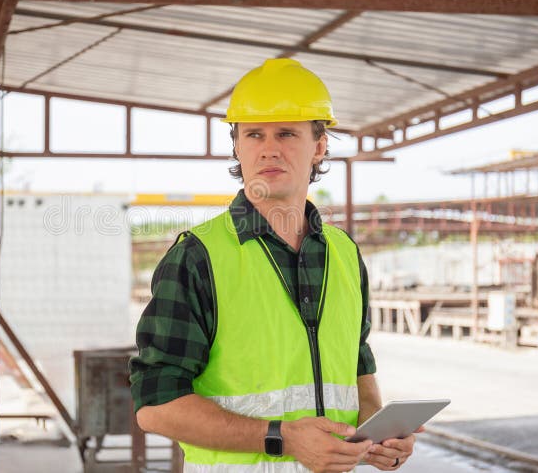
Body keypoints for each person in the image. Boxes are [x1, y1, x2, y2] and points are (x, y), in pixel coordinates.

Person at [129, 58, 418, 472]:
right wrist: (282, 438)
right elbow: (155, 407)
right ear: (237, 146)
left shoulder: (344, 254)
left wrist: (377, 431)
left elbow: (358, 362)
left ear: (319, 146)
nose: (269, 148)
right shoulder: (198, 257)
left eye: (286, 133)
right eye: (253, 134)